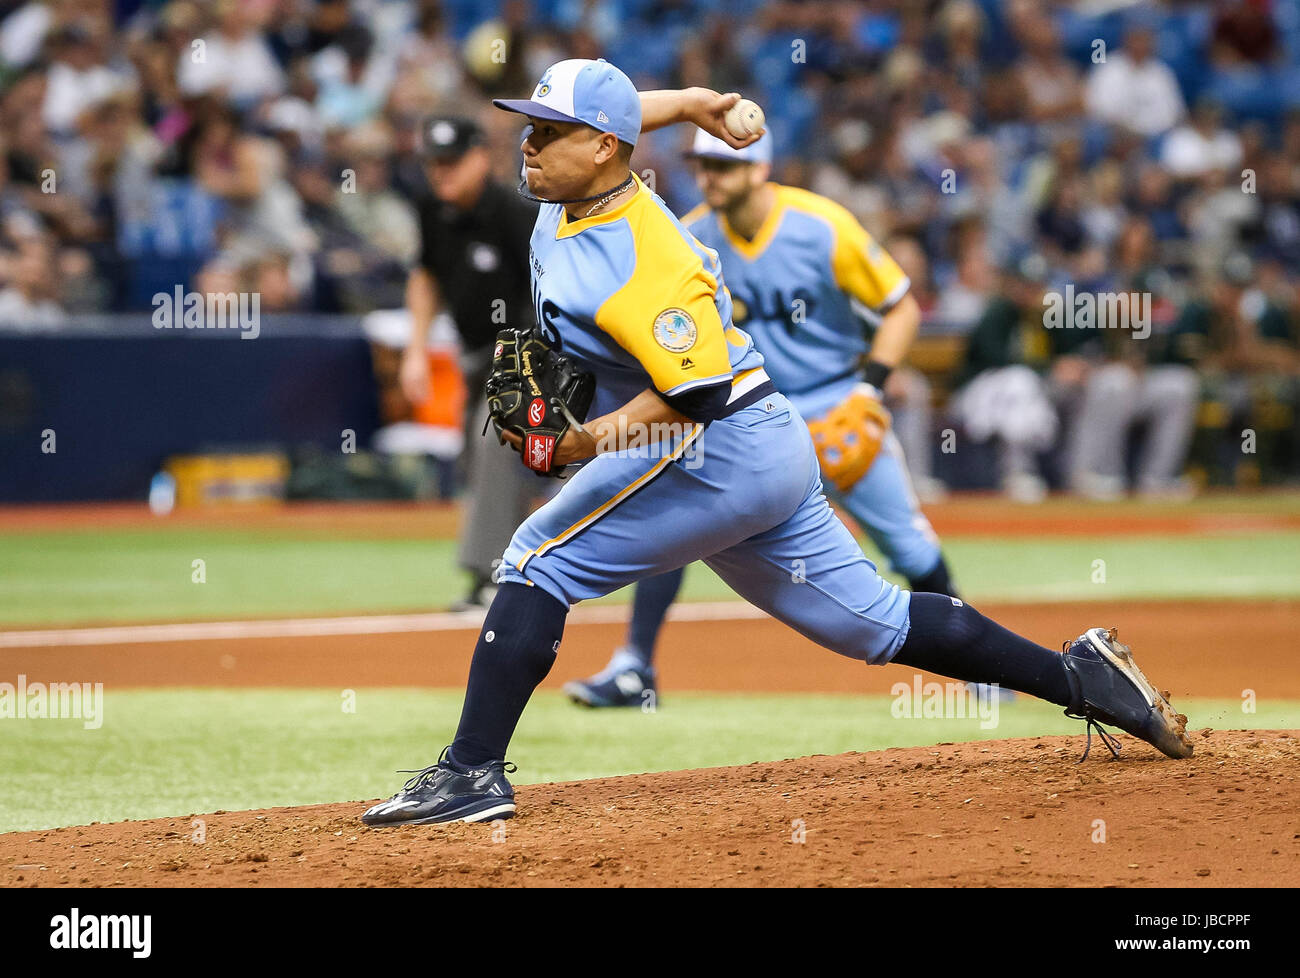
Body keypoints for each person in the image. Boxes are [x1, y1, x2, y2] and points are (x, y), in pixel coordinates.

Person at [361, 60, 1191, 828]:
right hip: (767, 448)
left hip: (711, 444)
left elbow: (694, 393)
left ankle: (472, 773)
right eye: (528, 126)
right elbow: (621, 114)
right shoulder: (576, 182)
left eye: (548, 130)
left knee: (539, 558)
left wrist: (584, 445)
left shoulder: (645, 254)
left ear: (604, 147)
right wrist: (692, 104)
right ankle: (1082, 679)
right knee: (875, 624)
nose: (529, 144)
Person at [562, 128, 961, 709]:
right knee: (674, 524)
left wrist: (871, 391)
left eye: (723, 165)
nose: (709, 176)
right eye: (702, 164)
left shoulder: (821, 225)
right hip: (746, 413)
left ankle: (982, 678)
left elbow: (899, 305)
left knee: (910, 548)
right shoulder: (690, 233)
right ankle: (634, 667)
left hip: (835, 404)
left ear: (760, 167)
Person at [402, 115, 538, 609]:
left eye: (452, 162)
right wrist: (416, 349)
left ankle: (495, 578)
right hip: (475, 356)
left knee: (494, 447)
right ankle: (527, 570)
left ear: (481, 158)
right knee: (478, 461)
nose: (442, 173)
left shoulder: (511, 212)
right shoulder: (432, 210)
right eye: (435, 164)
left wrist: (531, 361)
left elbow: (549, 286)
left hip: (527, 354)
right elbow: (425, 274)